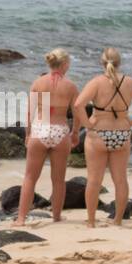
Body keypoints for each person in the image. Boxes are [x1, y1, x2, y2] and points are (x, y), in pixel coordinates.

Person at [72, 47, 132, 227]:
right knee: (120, 179)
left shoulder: (96, 82)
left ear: (102, 63)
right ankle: (117, 220)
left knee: (94, 180)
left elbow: (78, 105)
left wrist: (86, 124)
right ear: (119, 63)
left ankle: (91, 221)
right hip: (122, 134)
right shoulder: (129, 82)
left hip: (98, 134)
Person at [15, 49, 78, 225]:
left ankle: (21, 219)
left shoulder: (38, 83)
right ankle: (56, 216)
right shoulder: (71, 86)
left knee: (29, 177)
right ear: (65, 64)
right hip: (60, 130)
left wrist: (28, 134)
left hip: (40, 129)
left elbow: (30, 112)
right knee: (58, 180)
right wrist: (75, 133)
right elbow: (77, 112)